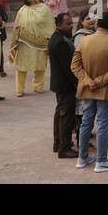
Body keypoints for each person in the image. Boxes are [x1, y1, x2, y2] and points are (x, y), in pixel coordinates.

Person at [71, 16, 108, 173]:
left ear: (97, 25)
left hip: (88, 88)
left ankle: (82, 158)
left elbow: (74, 66)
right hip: (105, 89)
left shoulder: (84, 40)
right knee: (102, 124)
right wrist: (99, 81)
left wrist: (88, 80)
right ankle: (100, 162)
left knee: (86, 122)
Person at [9, 0, 56, 97]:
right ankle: (19, 89)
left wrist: (48, 39)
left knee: (39, 66)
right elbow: (17, 23)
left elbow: (49, 25)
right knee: (21, 66)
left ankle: (38, 86)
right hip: (23, 42)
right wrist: (16, 31)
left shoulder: (44, 9)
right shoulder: (22, 9)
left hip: (40, 43)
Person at [47, 13, 77, 158]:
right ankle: (64, 148)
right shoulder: (60, 41)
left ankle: (58, 143)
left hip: (60, 83)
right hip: (65, 84)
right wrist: (77, 83)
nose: (71, 26)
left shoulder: (58, 38)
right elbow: (68, 67)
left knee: (60, 113)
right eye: (68, 24)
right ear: (59, 24)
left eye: (71, 23)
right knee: (66, 115)